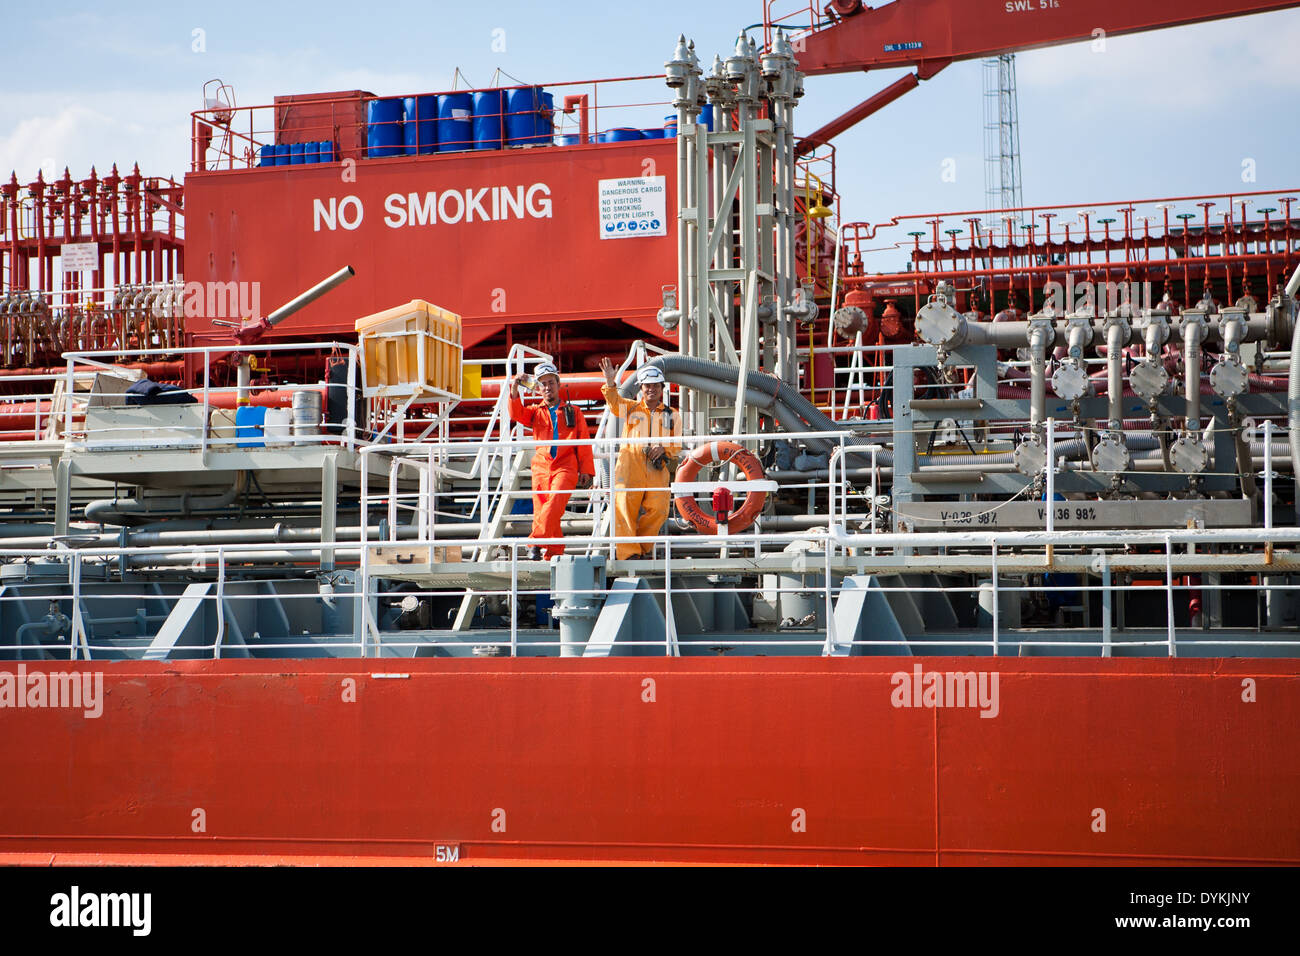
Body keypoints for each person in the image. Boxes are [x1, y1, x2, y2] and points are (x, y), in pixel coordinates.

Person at [508, 362, 595, 560]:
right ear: (538, 389)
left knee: (554, 503)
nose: (548, 387)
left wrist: (586, 471)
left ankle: (534, 542)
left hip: (566, 466)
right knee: (544, 510)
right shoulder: (535, 412)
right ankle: (554, 551)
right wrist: (514, 388)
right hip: (541, 467)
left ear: (558, 384)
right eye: (543, 384)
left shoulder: (574, 411)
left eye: (551, 383)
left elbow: (583, 442)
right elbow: (516, 413)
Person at [600, 357, 681, 560]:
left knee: (660, 510)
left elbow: (677, 443)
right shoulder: (631, 408)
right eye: (647, 386)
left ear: (662, 388)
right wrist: (610, 383)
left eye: (655, 386)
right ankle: (629, 553)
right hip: (630, 466)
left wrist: (663, 448)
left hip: (656, 468)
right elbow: (614, 403)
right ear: (640, 389)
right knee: (624, 507)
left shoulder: (673, 415)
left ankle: (642, 548)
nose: (651, 389)